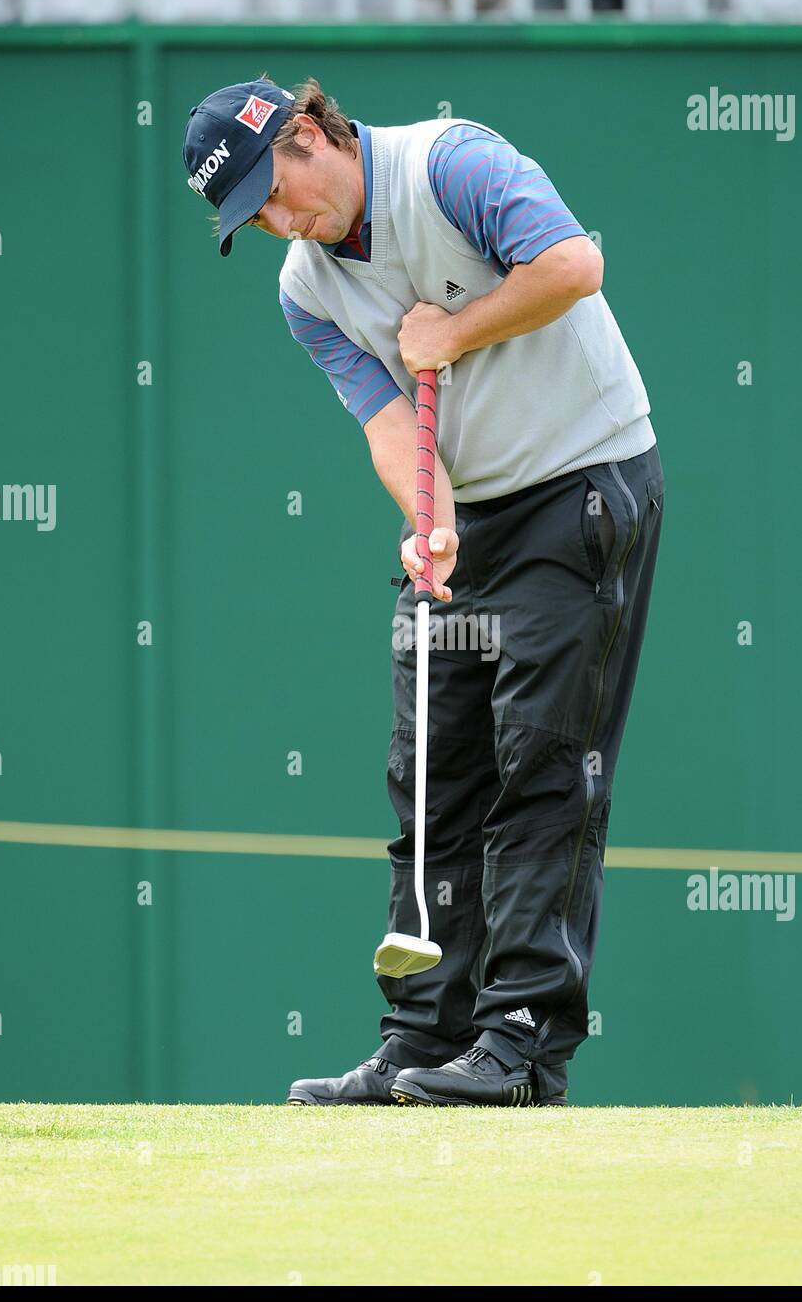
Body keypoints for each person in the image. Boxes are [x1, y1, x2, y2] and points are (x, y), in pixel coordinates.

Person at [182, 74, 664, 1108]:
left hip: (582, 479)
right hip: (473, 511)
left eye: (274, 192)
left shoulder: (450, 164)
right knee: (433, 774)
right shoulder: (305, 289)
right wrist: (427, 517)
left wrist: (457, 330)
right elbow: (388, 425)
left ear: (310, 131)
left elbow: (574, 264)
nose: (276, 223)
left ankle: (521, 1041)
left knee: (538, 760)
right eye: (252, 216)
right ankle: (420, 1036)